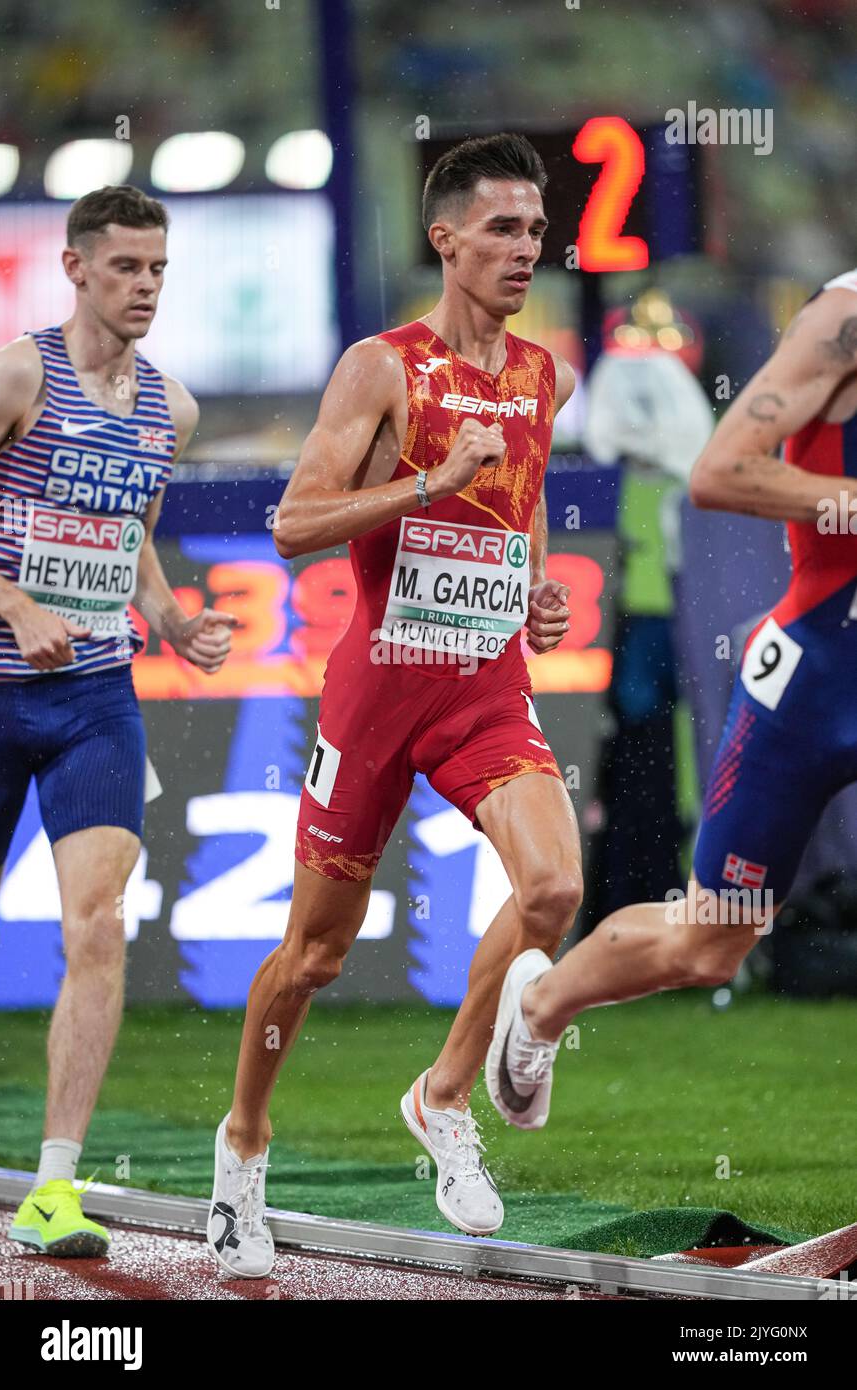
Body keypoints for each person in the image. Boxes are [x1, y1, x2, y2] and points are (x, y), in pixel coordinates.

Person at [207, 132, 578, 1277]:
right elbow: (291, 523)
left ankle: (443, 1093)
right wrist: (427, 480)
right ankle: (242, 1151)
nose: (526, 248)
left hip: (481, 688)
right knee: (311, 956)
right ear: (445, 237)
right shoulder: (383, 368)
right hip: (376, 692)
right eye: (503, 228)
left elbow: (518, 510)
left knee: (554, 888)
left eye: (533, 228)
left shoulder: (538, 374)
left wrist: (532, 588)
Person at [486, 269, 857, 1132]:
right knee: (710, 942)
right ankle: (543, 1001)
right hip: (817, 676)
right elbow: (720, 471)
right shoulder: (842, 319)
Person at [0, 183, 234, 1257]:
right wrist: (10, 600)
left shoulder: (168, 409)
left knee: (96, 927)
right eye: (126, 267)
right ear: (77, 268)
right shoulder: (16, 374)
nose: (144, 287)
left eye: (158, 270)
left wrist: (172, 617)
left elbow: (126, 525)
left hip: (96, 696)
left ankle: (54, 1186)